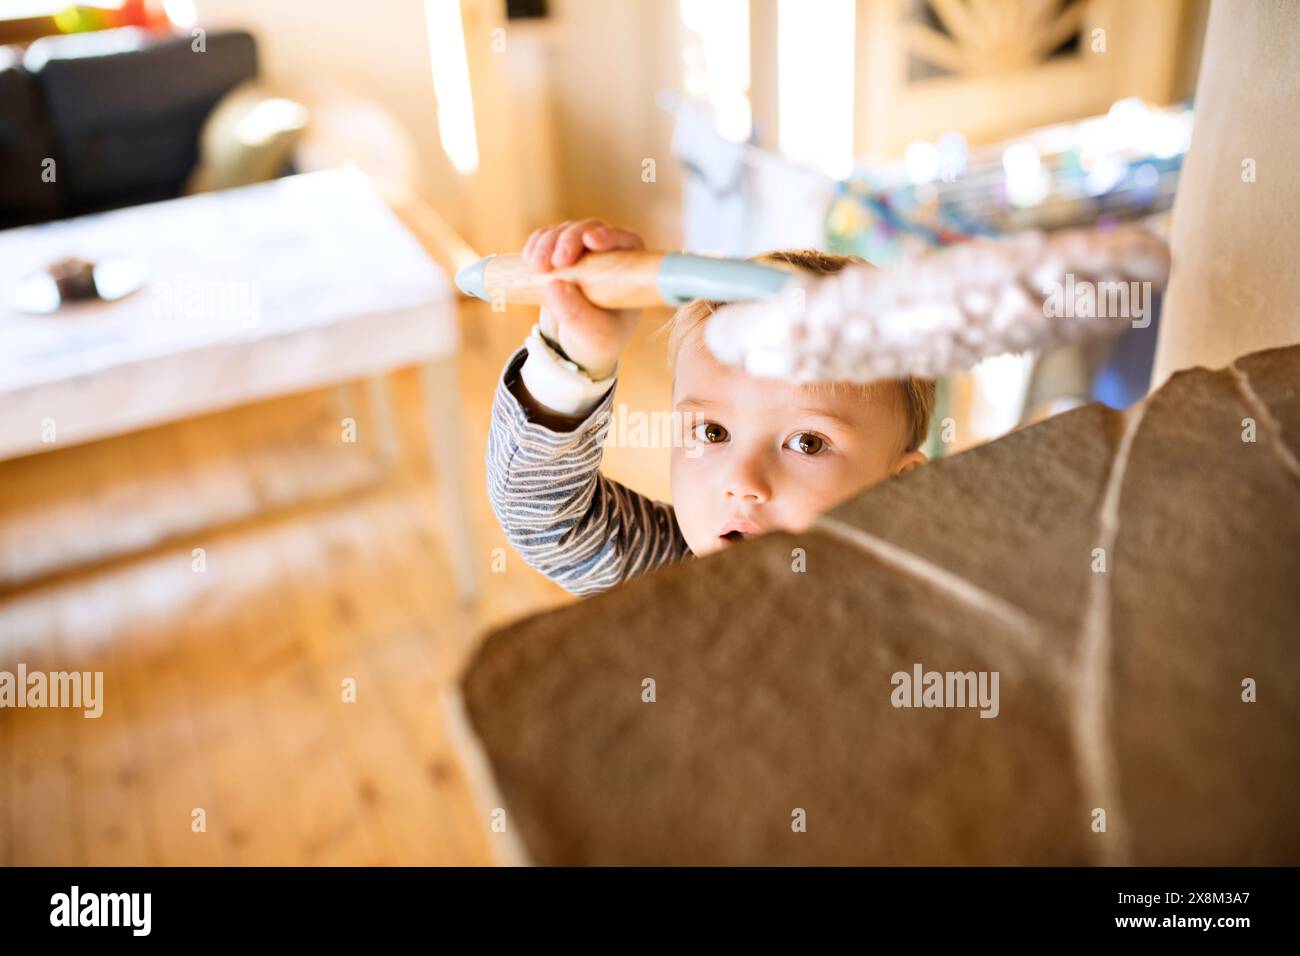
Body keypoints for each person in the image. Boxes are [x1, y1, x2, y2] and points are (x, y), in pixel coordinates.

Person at [487, 219, 935, 596]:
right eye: (713, 432)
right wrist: (576, 356)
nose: (742, 483)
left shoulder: (922, 598)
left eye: (808, 442)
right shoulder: (669, 569)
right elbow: (546, 519)